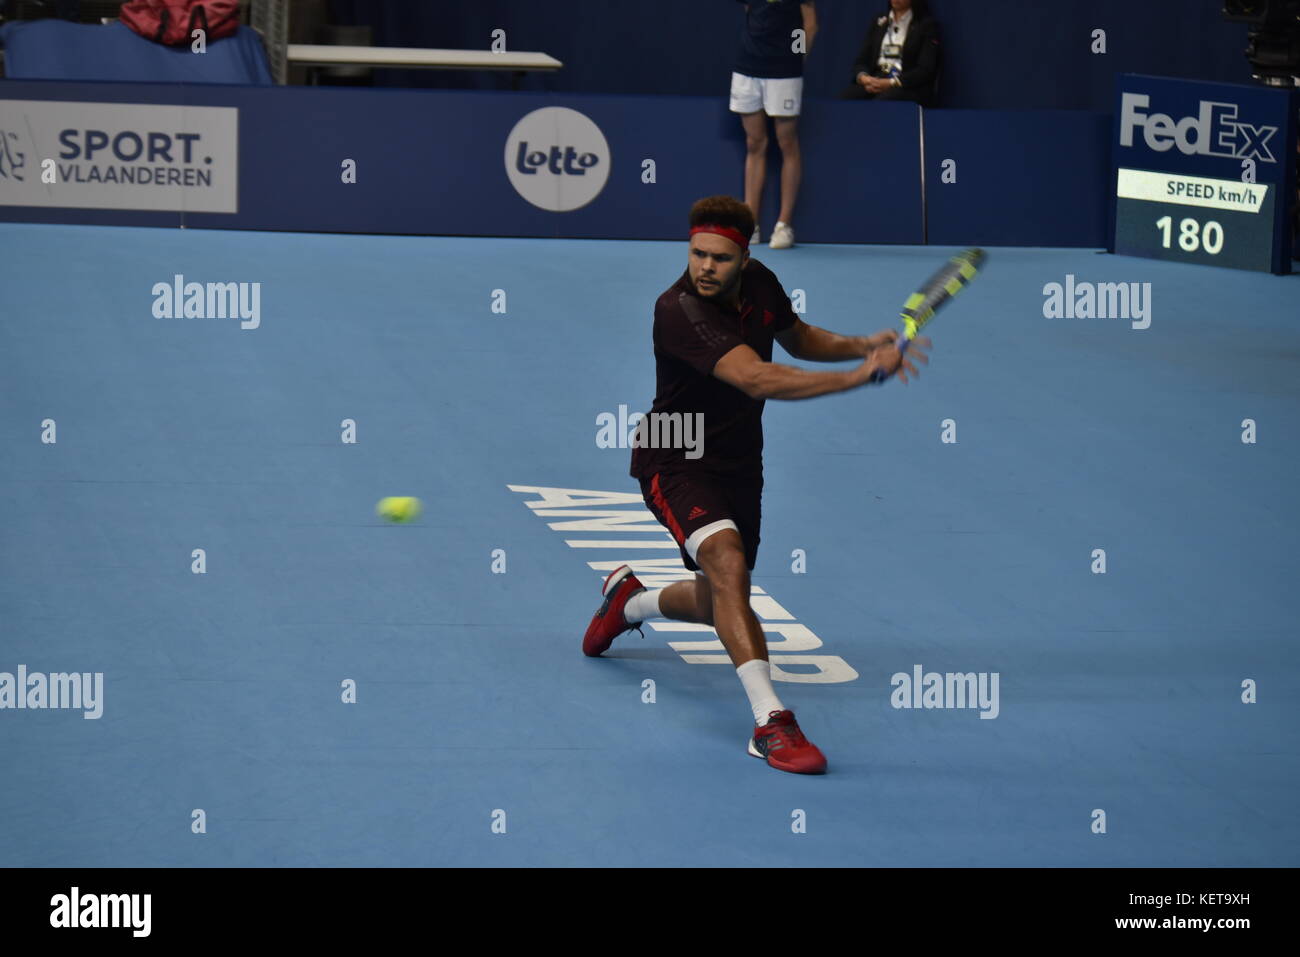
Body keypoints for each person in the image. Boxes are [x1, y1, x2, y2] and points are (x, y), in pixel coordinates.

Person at [582, 196, 930, 775]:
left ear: (744, 257)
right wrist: (858, 377)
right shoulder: (679, 310)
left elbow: (794, 337)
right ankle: (771, 723)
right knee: (727, 563)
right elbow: (758, 377)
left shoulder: (762, 281)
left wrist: (861, 343)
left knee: (722, 594)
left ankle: (630, 600)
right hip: (676, 451)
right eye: (697, 254)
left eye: (720, 257)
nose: (705, 268)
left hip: (740, 458)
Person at [730, 0, 817, 250]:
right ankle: (751, 224)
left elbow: (809, 24)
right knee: (754, 143)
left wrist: (796, 58)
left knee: (787, 143)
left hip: (784, 71)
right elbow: (751, 13)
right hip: (747, 67)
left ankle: (784, 225)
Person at [841, 0, 940, 107]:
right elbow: (861, 60)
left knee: (882, 103)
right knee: (846, 98)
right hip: (876, 78)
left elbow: (925, 69)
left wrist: (892, 83)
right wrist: (864, 78)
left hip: (905, 84)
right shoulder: (879, 21)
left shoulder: (925, 25)